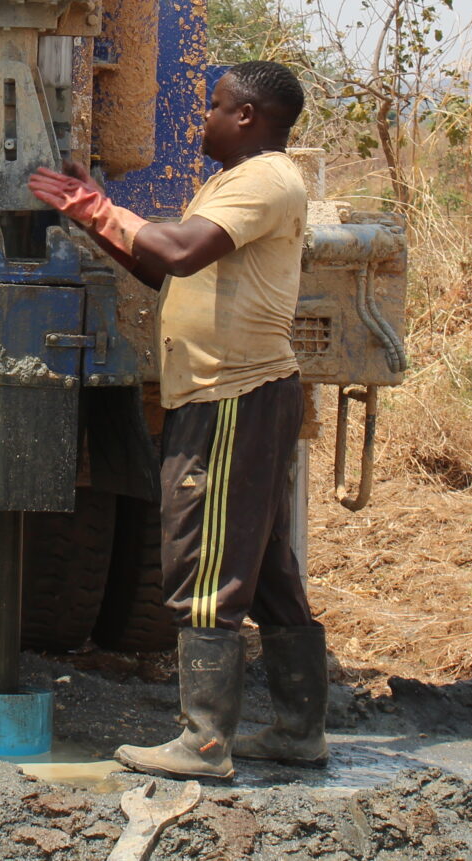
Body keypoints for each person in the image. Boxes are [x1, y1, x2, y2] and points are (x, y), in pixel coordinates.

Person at [29, 60, 321, 782]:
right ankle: (297, 728)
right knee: (270, 569)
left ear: (248, 115)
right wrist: (91, 210)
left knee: (207, 560)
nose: (204, 118)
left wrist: (95, 206)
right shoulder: (233, 182)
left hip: (232, 395)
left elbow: (182, 249)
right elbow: (163, 269)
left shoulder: (263, 180)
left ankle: (205, 742)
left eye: (216, 106)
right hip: (240, 391)